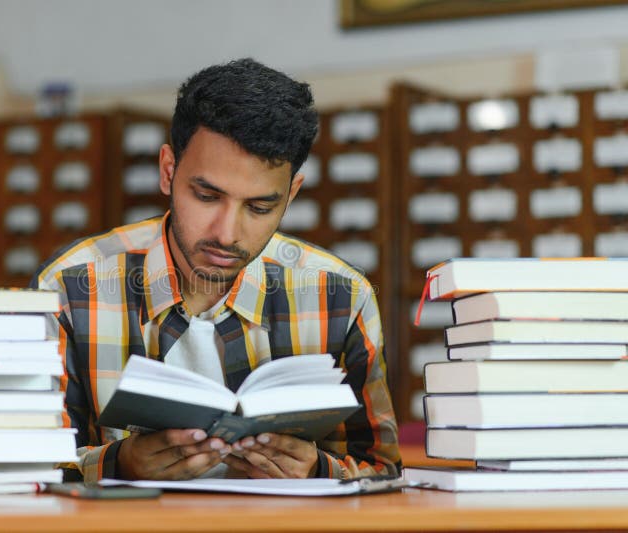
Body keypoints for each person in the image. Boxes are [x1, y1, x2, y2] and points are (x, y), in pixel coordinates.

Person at [31, 58, 401, 483]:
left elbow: (385, 472)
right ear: (168, 171)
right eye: (207, 196)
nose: (227, 234)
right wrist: (116, 465)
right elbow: (26, 470)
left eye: (260, 207)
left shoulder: (342, 296)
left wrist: (320, 469)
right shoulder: (66, 289)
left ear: (292, 193)